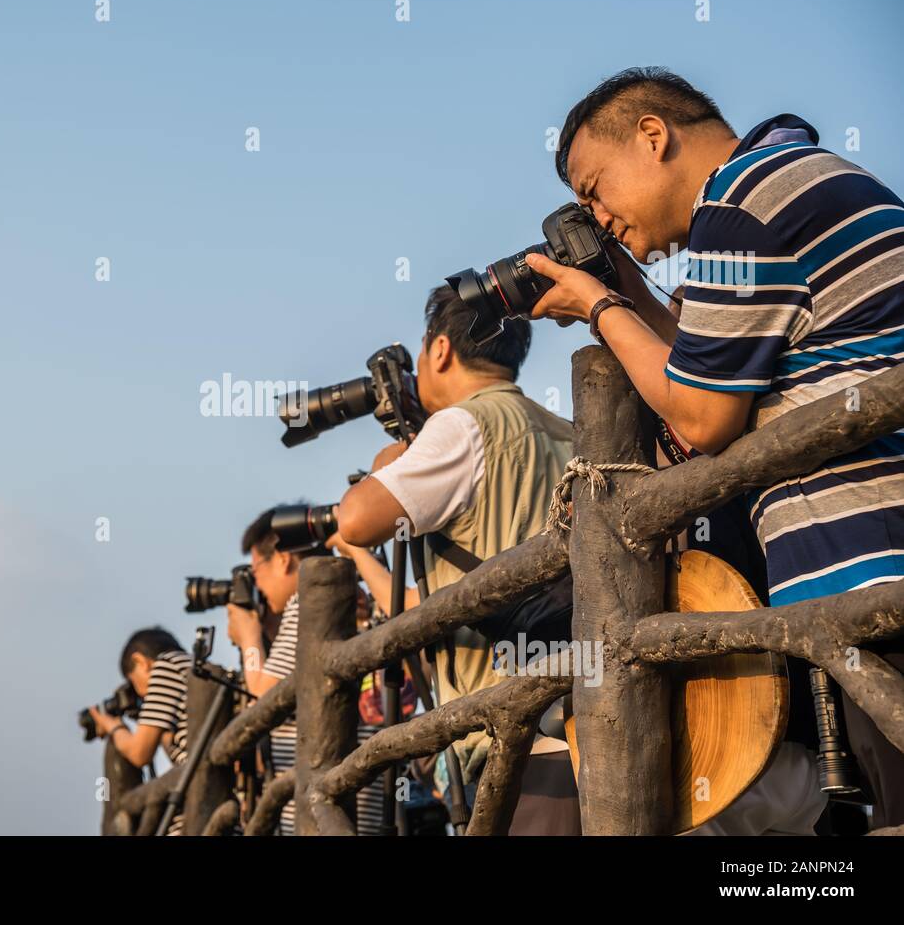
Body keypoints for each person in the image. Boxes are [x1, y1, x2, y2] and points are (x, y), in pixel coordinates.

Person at [530, 66, 904, 829]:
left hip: (877, 562)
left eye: (596, 189)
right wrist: (627, 294)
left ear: (654, 136)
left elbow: (701, 418)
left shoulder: (741, 202)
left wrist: (599, 307)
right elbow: (711, 372)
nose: (597, 219)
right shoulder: (781, 184)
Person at [336, 298, 582, 835]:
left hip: (514, 738)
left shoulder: (463, 425)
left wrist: (389, 467)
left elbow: (355, 519)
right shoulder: (565, 429)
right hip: (583, 720)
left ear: (441, 348)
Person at [226, 512, 387, 834]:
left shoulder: (306, 603)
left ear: (283, 560)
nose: (255, 585)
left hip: (317, 813)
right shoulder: (351, 596)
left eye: (256, 571)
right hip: (364, 806)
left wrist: (249, 640)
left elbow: (264, 697)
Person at [88, 627, 192, 834]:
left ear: (141, 662)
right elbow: (182, 749)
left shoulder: (166, 667)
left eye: (135, 684)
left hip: (188, 819)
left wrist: (114, 726)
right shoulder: (192, 668)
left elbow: (139, 753)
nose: (142, 695)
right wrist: (152, 720)